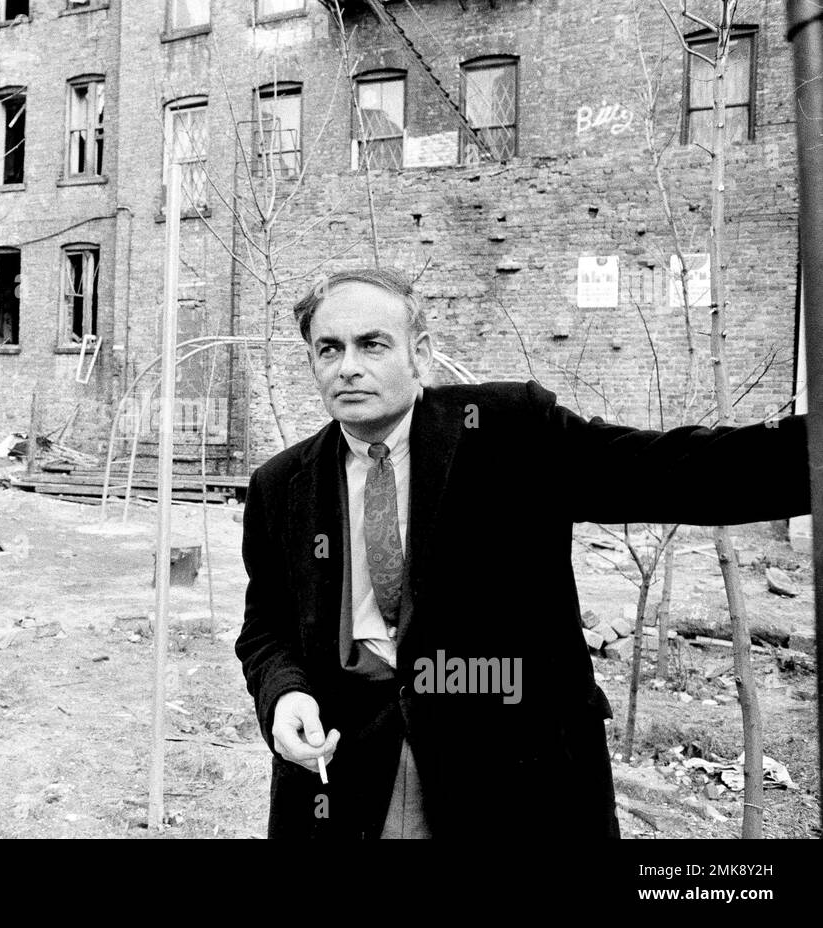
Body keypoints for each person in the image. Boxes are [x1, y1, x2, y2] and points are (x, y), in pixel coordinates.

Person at [235, 267, 809, 839]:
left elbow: (667, 470)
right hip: (347, 778)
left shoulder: (508, 431)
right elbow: (266, 631)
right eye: (328, 349)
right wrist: (284, 696)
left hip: (514, 778)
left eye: (372, 344)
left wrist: (812, 452)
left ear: (422, 355)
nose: (348, 367)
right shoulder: (279, 486)